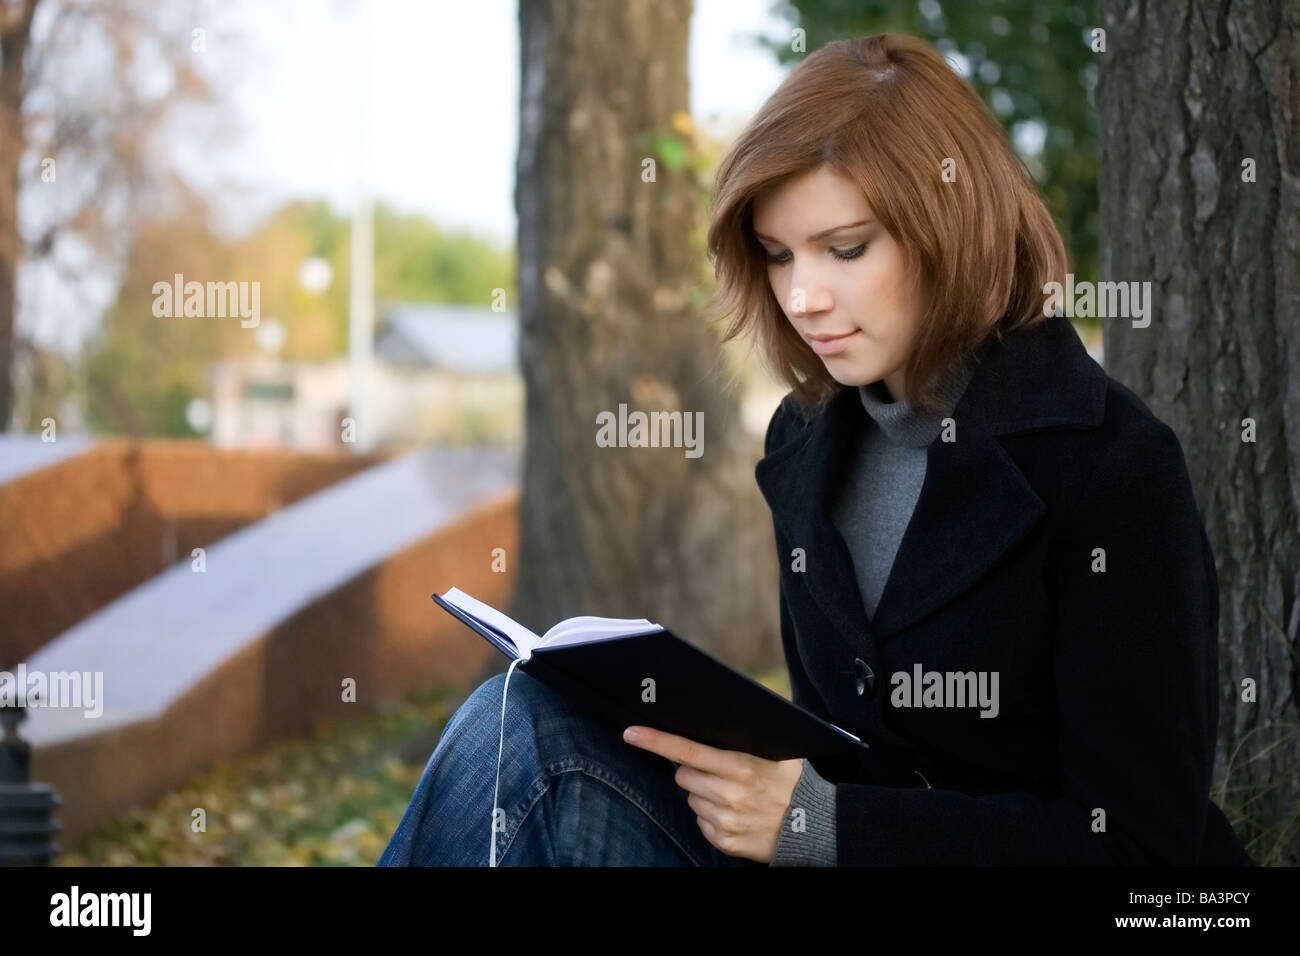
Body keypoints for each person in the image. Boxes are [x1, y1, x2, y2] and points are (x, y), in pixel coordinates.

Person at [377, 32, 1253, 866]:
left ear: (953, 224)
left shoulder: (1110, 463)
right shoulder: (805, 439)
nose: (802, 297)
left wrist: (827, 826)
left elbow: (1140, 845)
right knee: (520, 720)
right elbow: (832, 737)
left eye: (845, 249)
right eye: (776, 255)